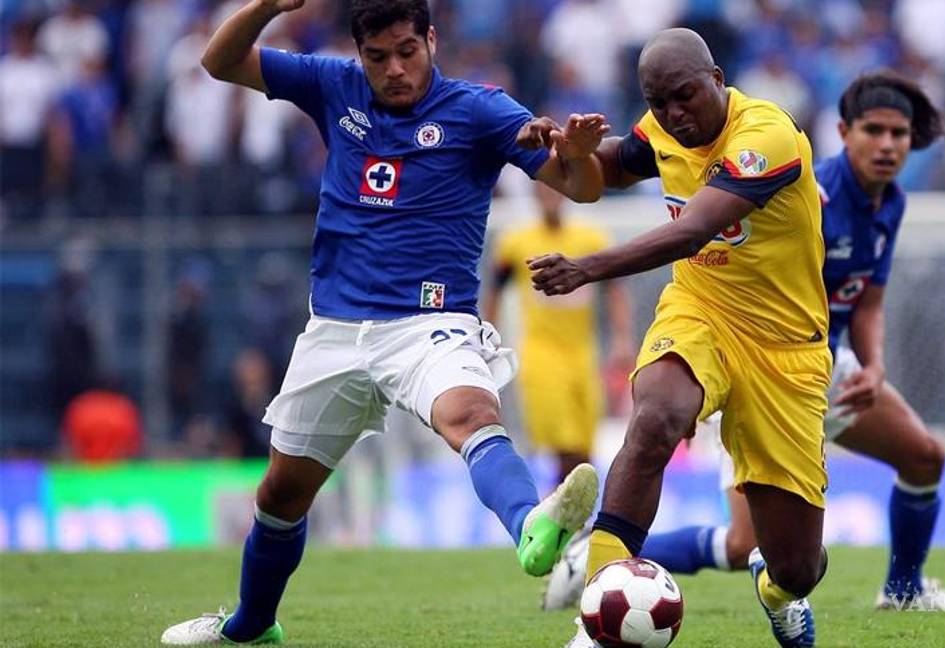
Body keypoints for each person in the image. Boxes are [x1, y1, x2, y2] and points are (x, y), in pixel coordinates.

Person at [160, 0, 611, 644]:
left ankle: (533, 530)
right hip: (335, 329)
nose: (395, 69)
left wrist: (581, 154)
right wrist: (268, 7)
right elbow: (219, 61)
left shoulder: (481, 109)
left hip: (431, 323)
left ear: (431, 38)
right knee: (280, 497)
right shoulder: (331, 84)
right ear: (358, 54)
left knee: (473, 416)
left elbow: (583, 188)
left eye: (408, 51)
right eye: (378, 57)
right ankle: (251, 627)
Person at [545, 72, 945, 615]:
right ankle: (597, 564)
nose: (888, 146)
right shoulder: (812, 187)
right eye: (875, 131)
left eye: (899, 135)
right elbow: (654, 197)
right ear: (843, 133)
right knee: (742, 543)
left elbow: (867, 296)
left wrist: (875, 364)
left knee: (922, 458)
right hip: (742, 344)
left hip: (817, 363)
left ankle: (904, 591)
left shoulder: (890, 204)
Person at [526, 29, 832, 648]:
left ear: (717, 78)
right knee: (657, 415)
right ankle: (599, 613)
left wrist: (588, 266)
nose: (673, 115)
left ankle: (773, 591)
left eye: (685, 96)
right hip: (702, 311)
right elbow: (610, 167)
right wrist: (566, 151)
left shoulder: (765, 138)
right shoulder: (663, 126)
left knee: (798, 566)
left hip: (785, 349)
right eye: (658, 102)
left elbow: (692, 231)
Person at [484, 182, 633, 485]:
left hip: (583, 354)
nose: (550, 197)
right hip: (542, 355)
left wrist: (621, 338)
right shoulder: (516, 242)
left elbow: (615, 288)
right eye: (543, 191)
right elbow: (495, 292)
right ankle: (569, 510)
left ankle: (568, 510)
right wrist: (488, 339)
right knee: (563, 444)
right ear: (535, 195)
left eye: (555, 190)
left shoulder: (590, 238)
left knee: (585, 443)